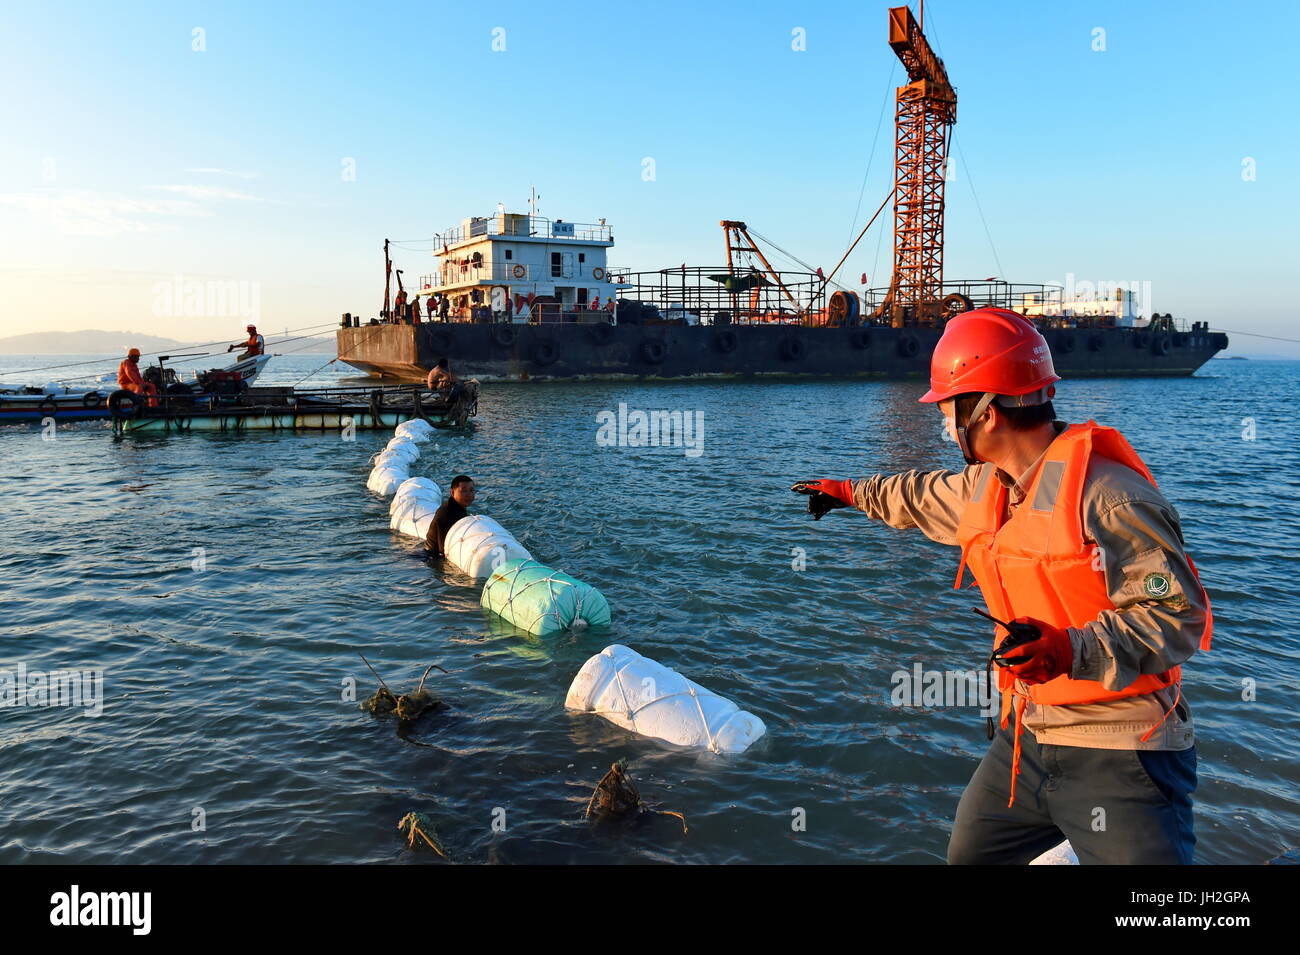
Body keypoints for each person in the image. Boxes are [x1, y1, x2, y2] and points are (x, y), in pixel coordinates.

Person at [792, 307, 1211, 865]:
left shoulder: (1110, 497)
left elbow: (1175, 616)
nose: (944, 423)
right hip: (1026, 738)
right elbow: (917, 494)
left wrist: (1069, 648)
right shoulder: (990, 485)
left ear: (985, 411)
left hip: (1121, 750)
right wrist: (849, 492)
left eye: (947, 408)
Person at [425, 475, 475, 557]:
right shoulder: (447, 513)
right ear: (452, 492)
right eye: (464, 491)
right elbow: (443, 550)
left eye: (471, 490)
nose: (469, 494)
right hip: (431, 558)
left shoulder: (456, 508)